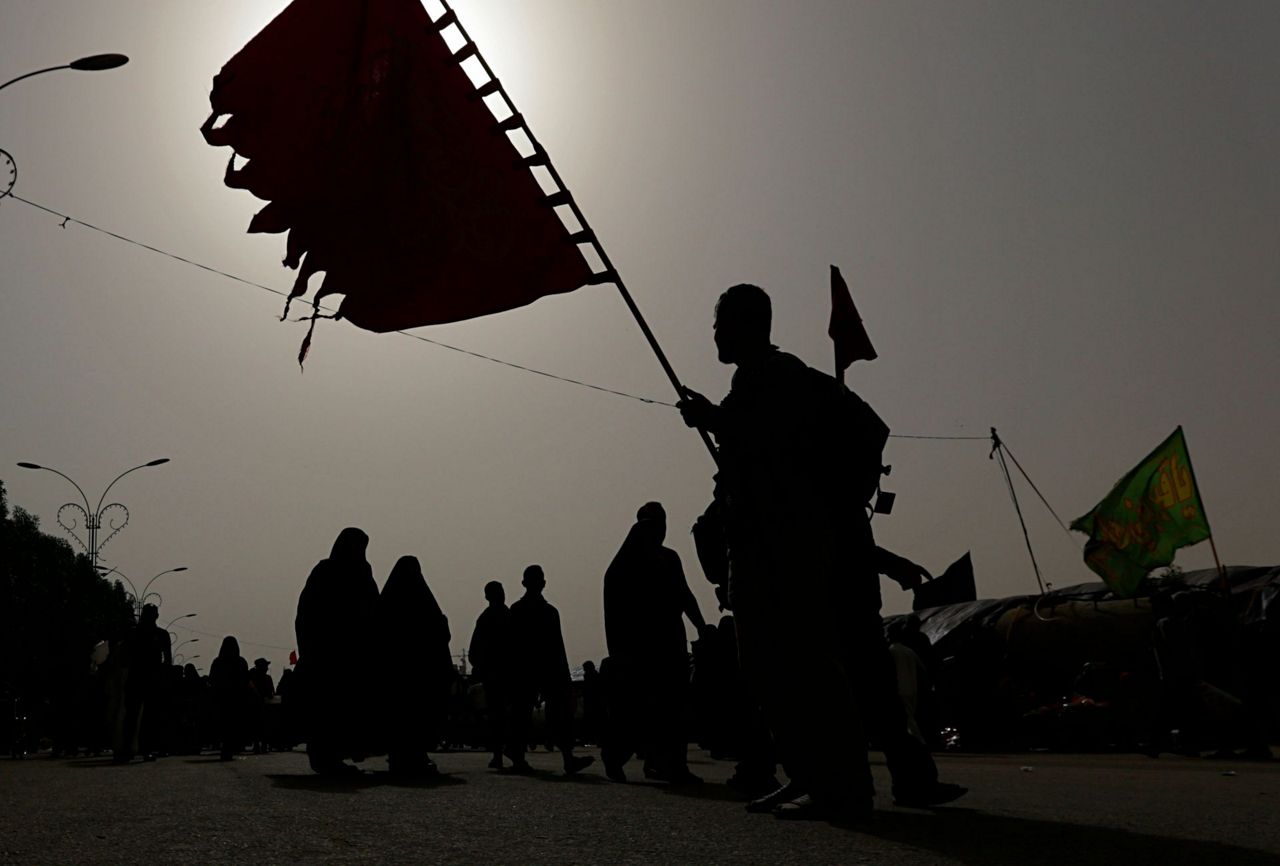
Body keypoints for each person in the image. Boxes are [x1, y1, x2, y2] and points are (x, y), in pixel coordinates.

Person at [678, 283, 965, 819]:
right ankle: (821, 778)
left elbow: (791, 457)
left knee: (799, 669)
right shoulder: (758, 386)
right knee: (794, 670)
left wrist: (718, 423)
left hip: (784, 555)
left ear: (748, 324)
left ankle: (837, 786)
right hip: (779, 552)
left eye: (721, 323)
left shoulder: (780, 379)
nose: (714, 333)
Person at [601, 502, 708, 784]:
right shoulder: (626, 564)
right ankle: (617, 756)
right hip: (641, 649)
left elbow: (685, 595)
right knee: (640, 709)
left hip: (670, 643)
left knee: (672, 708)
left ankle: (671, 765)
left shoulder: (669, 559)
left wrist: (701, 626)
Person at [295, 527, 380, 775]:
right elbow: (308, 613)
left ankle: (332, 757)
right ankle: (327, 757)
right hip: (331, 654)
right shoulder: (330, 572)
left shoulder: (350, 572)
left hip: (347, 654)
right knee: (330, 706)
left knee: (340, 707)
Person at [507, 565, 594, 776]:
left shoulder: (517, 611)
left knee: (522, 714)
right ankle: (567, 757)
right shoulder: (548, 612)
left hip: (525, 670)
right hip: (546, 669)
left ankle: (519, 757)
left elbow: (511, 646)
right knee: (557, 714)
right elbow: (557, 647)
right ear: (543, 584)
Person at [377, 555, 452, 776]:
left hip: (396, 675)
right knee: (419, 714)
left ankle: (399, 756)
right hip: (421, 676)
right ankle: (416, 756)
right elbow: (440, 635)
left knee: (398, 715)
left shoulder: (387, 603)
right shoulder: (425, 603)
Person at [114, 604, 172, 764]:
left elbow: (167, 660)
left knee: (145, 717)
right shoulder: (137, 634)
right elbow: (124, 657)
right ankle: (132, 749)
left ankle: (140, 749)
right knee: (136, 716)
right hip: (139, 678)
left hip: (148, 680)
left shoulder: (158, 635)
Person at [469, 580, 514, 769]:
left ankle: (499, 754)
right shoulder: (507, 616)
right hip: (504, 673)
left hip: (495, 674)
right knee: (505, 714)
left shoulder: (487, 618)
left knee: (498, 714)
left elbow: (474, 651)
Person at [209, 636, 251, 761]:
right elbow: (245, 680)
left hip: (223, 698)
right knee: (234, 723)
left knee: (224, 723)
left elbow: (212, 680)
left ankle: (226, 746)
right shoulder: (241, 662)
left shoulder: (218, 662)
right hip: (236, 699)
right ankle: (230, 746)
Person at [248, 658, 275, 754]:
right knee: (264, 726)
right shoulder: (267, 678)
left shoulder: (252, 679)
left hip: (254, 706)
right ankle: (263, 745)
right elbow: (271, 693)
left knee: (256, 726)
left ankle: (257, 745)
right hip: (264, 706)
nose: (267, 668)